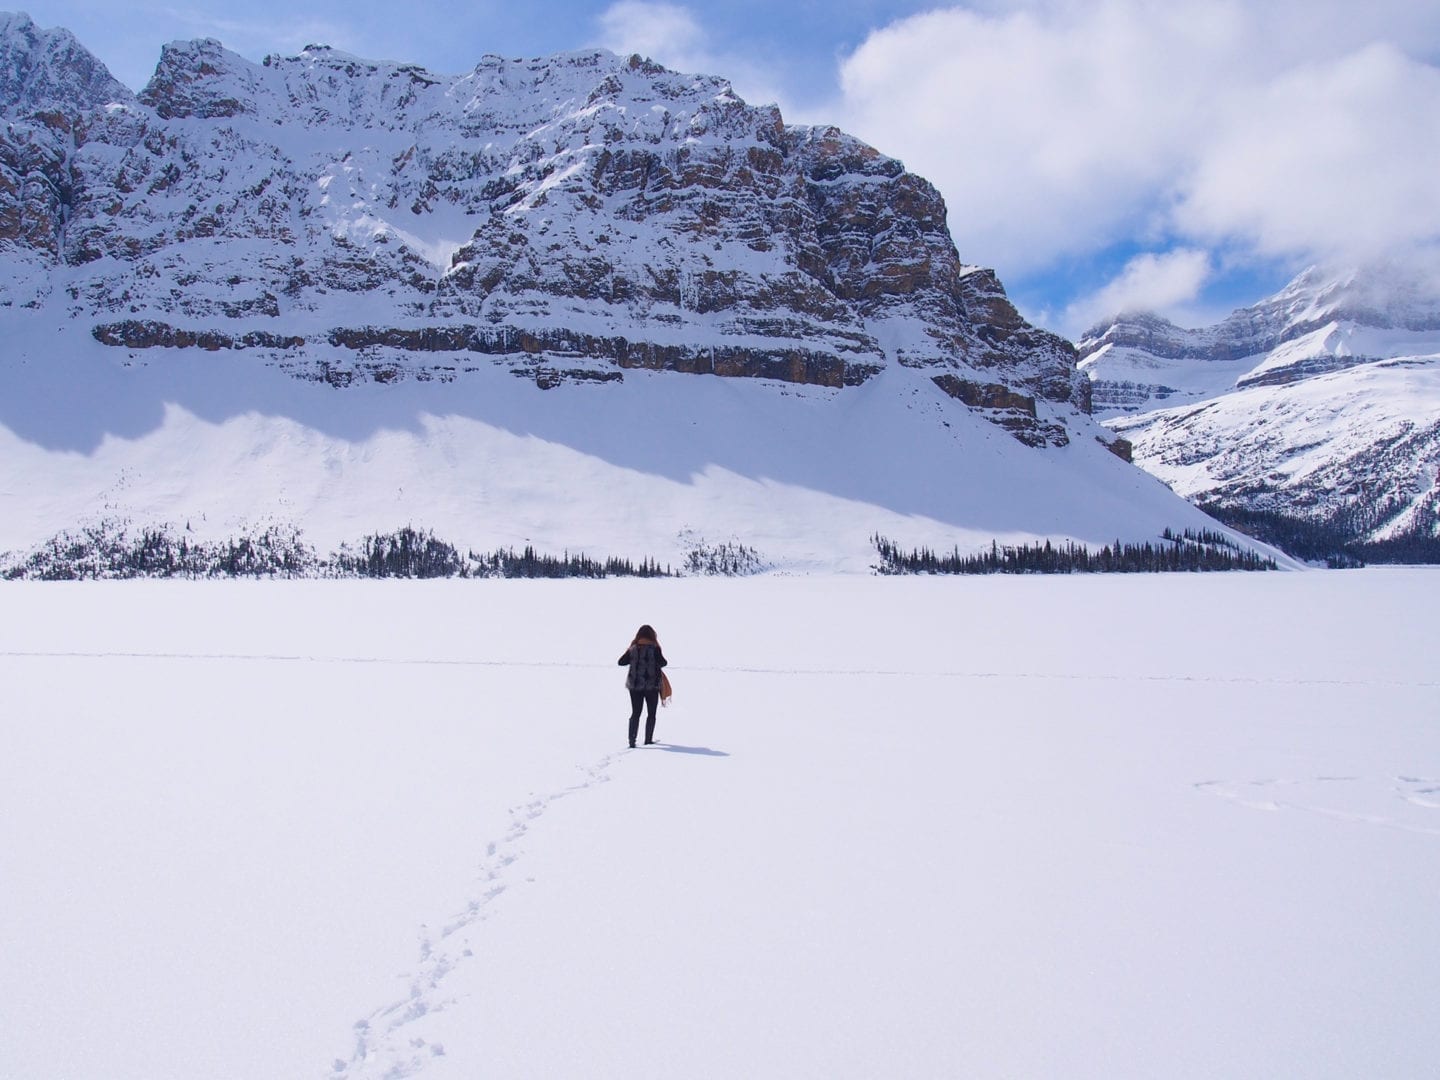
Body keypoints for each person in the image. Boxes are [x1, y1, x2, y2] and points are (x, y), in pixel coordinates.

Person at [618, 624, 667, 748]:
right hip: (652, 686)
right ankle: (648, 740)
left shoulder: (634, 648)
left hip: (635, 686)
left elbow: (621, 662)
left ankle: (632, 741)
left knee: (636, 713)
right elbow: (663, 662)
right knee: (651, 714)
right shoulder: (655, 648)